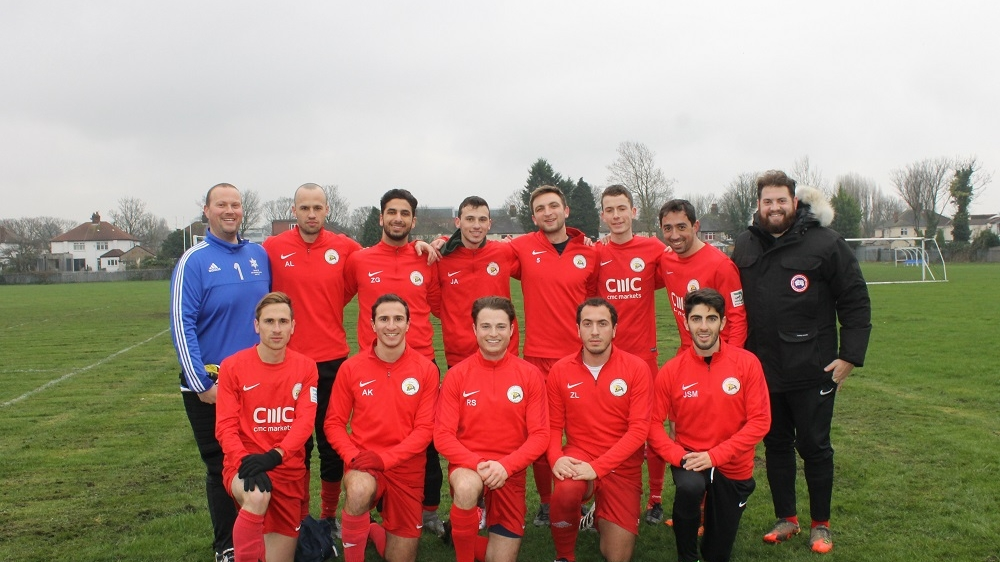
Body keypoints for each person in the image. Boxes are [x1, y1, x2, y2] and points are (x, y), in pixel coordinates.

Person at [732, 170, 872, 554]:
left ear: (795, 203)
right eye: (767, 201)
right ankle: (787, 519)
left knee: (814, 446)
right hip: (762, 370)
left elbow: (855, 299)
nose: (774, 208)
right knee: (776, 444)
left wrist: (850, 357)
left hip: (813, 368)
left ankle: (820, 525)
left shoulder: (826, 244)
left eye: (781, 200)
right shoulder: (744, 245)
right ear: (758, 205)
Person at [170, 182, 271, 562]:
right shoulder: (193, 261)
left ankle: (261, 537)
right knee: (220, 467)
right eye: (221, 204)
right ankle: (227, 546)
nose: (230, 210)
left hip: (259, 384)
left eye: (236, 204)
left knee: (258, 459)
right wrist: (201, 383)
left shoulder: (258, 254)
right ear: (207, 210)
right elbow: (182, 324)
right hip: (211, 386)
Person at [343, 188, 447, 536]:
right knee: (376, 438)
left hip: (422, 366)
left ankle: (428, 511)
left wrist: (441, 241)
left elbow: (439, 304)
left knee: (428, 445)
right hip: (373, 368)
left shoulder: (426, 258)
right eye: (392, 212)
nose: (398, 218)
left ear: (413, 220)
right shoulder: (360, 260)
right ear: (381, 217)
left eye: (404, 213)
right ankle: (372, 508)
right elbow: (338, 298)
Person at [262, 183, 362, 537]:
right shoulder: (272, 248)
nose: (311, 214)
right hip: (288, 364)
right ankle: (298, 517)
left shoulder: (346, 248)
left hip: (333, 362)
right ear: (294, 210)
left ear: (327, 210)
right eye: (304, 208)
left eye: (317, 207)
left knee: (331, 441)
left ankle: (328, 517)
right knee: (295, 445)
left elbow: (380, 260)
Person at [648, 288, 770, 562]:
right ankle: (686, 556)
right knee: (690, 488)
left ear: (723, 323)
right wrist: (678, 456)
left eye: (711, 319)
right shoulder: (672, 370)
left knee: (717, 554)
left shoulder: (747, 364)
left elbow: (760, 421)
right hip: (690, 458)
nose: (704, 327)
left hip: (733, 465)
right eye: (697, 319)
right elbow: (653, 425)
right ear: (686, 323)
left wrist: (714, 456)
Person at [324, 294, 440, 562]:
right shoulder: (351, 367)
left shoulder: (426, 370)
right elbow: (333, 423)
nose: (391, 326)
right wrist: (354, 457)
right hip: (363, 463)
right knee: (359, 489)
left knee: (400, 557)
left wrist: (385, 459)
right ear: (372, 325)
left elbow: (424, 430)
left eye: (398, 319)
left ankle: (373, 530)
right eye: (384, 319)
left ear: (409, 324)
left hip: (407, 468)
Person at [508, 184, 599, 526]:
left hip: (580, 358)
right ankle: (547, 503)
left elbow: (593, 300)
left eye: (553, 206)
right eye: (541, 209)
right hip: (537, 358)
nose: (548, 213)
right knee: (542, 433)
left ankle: (590, 493)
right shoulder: (521, 246)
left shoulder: (590, 252)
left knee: (587, 431)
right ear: (534, 217)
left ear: (566, 210)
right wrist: (445, 241)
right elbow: (483, 251)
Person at [434, 296, 549, 562]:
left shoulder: (529, 374)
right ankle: (465, 536)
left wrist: (506, 466)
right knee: (465, 487)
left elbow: (541, 435)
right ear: (474, 330)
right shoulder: (457, 375)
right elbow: (442, 435)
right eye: (485, 326)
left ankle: (463, 529)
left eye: (500, 326)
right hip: (469, 467)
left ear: (512, 329)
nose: (493, 334)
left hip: (511, 473)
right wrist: (479, 463)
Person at [215, 292, 319, 562]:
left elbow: (304, 422)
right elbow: (225, 426)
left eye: (283, 321)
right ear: (256, 325)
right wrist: (243, 460)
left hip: (287, 468)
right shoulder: (232, 367)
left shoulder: (306, 368)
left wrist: (275, 456)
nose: (276, 329)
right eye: (269, 321)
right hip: (244, 465)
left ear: (293, 326)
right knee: (257, 495)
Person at [546, 298, 651, 562]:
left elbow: (639, 430)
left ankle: (596, 515)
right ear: (577, 329)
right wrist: (555, 457)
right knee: (567, 489)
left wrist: (599, 467)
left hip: (623, 466)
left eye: (602, 324)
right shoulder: (560, 371)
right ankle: (564, 556)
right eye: (587, 324)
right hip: (580, 455)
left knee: (617, 557)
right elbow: (553, 426)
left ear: (614, 329)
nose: (595, 331)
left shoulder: (636, 368)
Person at [595, 184, 669, 525]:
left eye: (621, 208)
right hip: (605, 360)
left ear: (633, 211)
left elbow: (682, 266)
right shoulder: (596, 254)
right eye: (609, 210)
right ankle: (607, 494)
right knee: (608, 430)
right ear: (602, 215)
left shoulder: (654, 249)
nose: (616, 216)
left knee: (651, 429)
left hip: (644, 357)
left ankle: (654, 499)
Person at [434, 196, 520, 368]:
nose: (476, 226)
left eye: (482, 220)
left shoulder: (504, 252)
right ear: (458, 222)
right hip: (459, 357)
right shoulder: (440, 257)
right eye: (470, 219)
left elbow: (541, 257)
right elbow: (435, 303)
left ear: (489, 223)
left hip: (504, 352)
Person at [658, 199, 746, 352]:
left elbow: (738, 319)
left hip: (717, 355)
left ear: (695, 226)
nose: (675, 235)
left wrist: (731, 360)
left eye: (681, 227)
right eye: (668, 228)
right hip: (687, 355)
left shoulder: (721, 265)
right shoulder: (665, 260)